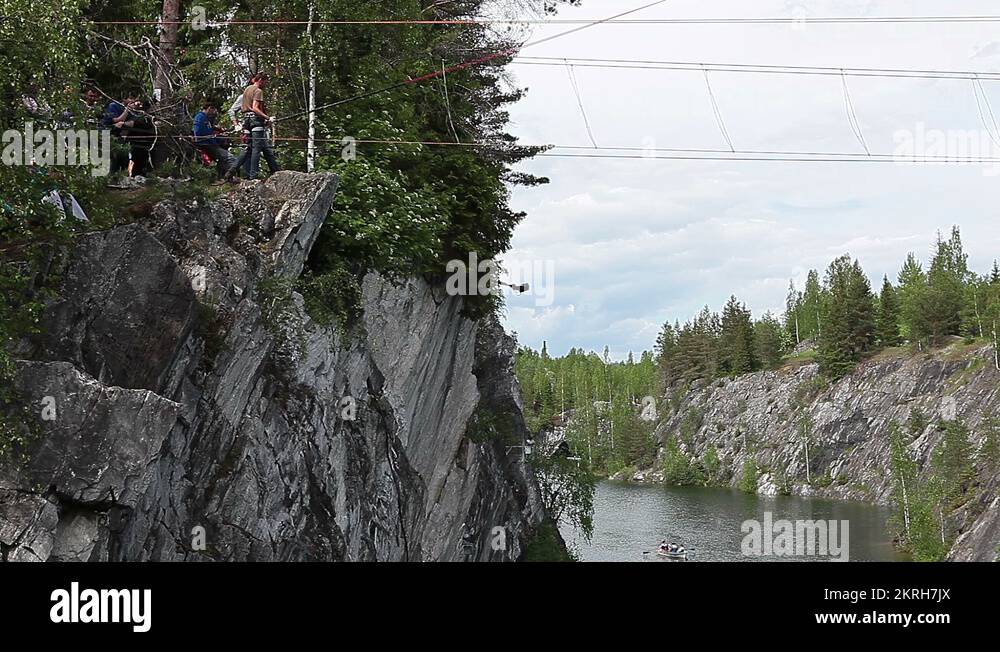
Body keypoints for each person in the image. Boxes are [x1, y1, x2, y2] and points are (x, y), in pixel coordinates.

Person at [226, 73, 280, 181]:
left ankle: (231, 171)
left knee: (250, 148)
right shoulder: (258, 91)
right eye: (265, 81)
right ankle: (253, 176)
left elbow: (247, 108)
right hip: (255, 122)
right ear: (260, 80)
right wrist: (268, 118)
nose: (266, 84)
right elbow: (255, 108)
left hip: (247, 121)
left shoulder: (246, 90)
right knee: (256, 149)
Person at [114, 98, 156, 177]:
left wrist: (122, 124)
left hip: (138, 146)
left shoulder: (146, 118)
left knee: (136, 165)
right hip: (137, 145)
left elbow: (133, 123)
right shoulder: (138, 116)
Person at [192, 102, 236, 177]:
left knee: (223, 159)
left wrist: (221, 135)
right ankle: (230, 177)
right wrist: (215, 136)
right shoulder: (200, 117)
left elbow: (211, 131)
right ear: (209, 108)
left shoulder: (207, 119)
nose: (214, 112)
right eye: (213, 110)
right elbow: (198, 133)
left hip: (211, 144)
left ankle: (222, 177)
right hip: (206, 144)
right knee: (231, 158)